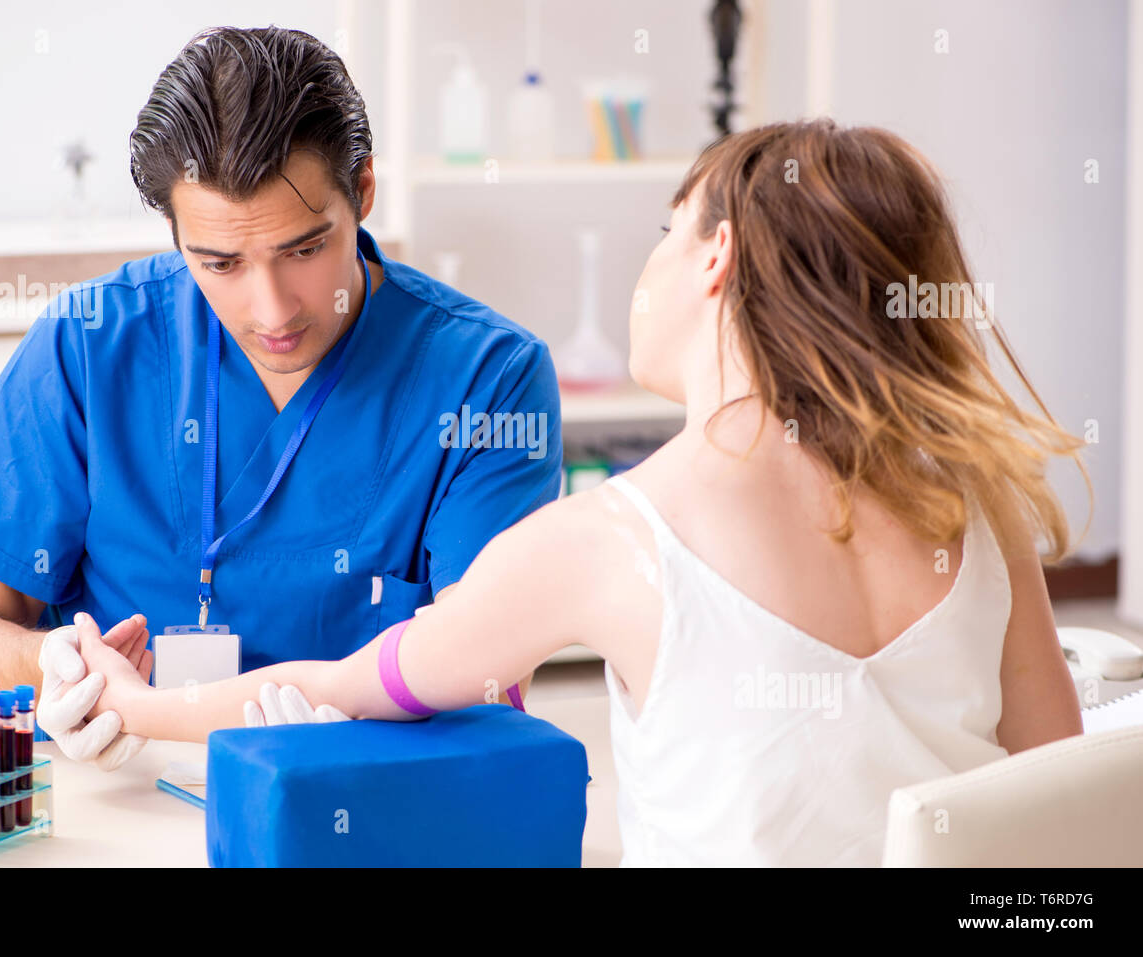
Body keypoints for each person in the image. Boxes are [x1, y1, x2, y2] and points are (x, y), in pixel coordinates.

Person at [75, 118, 1092, 865]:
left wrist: (143, 704)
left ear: (715, 260)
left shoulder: (613, 536)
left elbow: (346, 688)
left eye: (665, 229)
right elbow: (1057, 791)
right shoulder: (977, 502)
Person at [0, 26, 561, 770]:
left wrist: (351, 725)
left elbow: (489, 675)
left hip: (361, 805)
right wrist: (51, 663)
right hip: (123, 792)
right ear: (174, 231)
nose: (272, 309)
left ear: (365, 191)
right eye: (219, 261)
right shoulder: (90, 345)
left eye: (306, 249)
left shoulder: (487, 378)